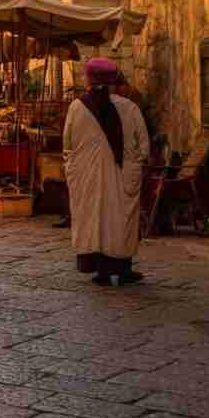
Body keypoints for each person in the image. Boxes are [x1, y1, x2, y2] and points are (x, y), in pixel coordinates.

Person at [63, 58, 150, 287]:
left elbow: (67, 144)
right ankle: (123, 271)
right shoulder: (129, 107)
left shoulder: (76, 107)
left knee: (94, 219)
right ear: (114, 80)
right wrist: (132, 164)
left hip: (86, 177)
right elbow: (144, 146)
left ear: (89, 80)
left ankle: (100, 271)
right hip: (123, 177)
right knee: (121, 221)